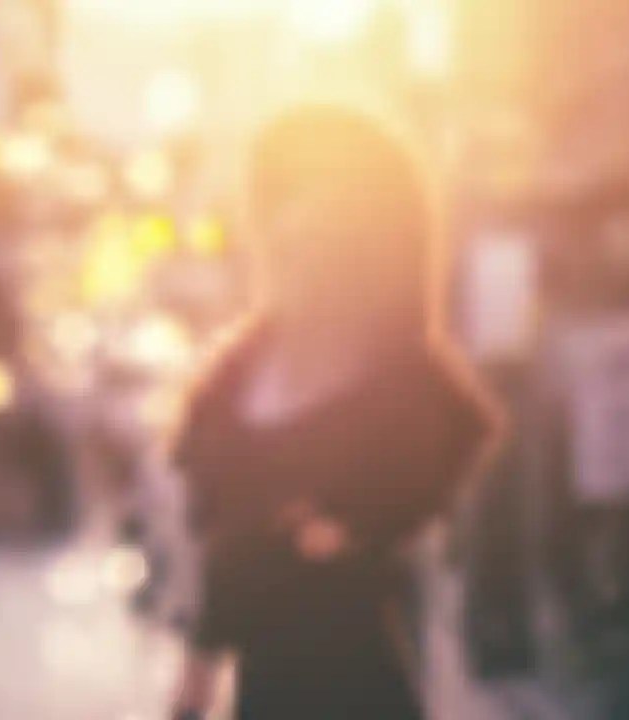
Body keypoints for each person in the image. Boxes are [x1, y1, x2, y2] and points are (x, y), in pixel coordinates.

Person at [167, 105, 501, 720]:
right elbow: (223, 555)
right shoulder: (230, 387)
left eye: (324, 230)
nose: (296, 237)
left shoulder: (412, 391)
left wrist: (342, 533)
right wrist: (192, 684)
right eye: (284, 212)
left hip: (363, 683)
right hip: (264, 690)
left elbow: (410, 524)